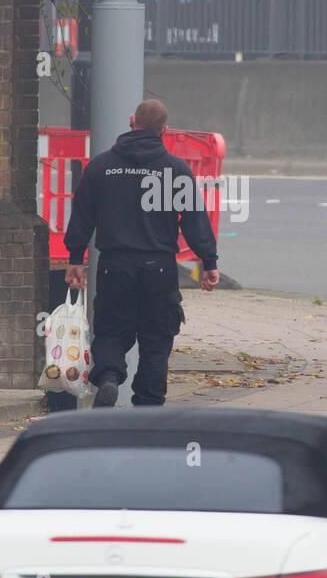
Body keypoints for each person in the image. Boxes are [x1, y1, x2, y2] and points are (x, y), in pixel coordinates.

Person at [63, 98, 220, 407]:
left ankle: (108, 376)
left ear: (132, 120)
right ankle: (148, 405)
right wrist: (209, 262)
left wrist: (75, 260)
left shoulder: (101, 167)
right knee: (156, 340)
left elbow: (81, 217)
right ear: (164, 130)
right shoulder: (176, 170)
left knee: (110, 331)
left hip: (114, 265)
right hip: (158, 268)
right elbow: (194, 221)